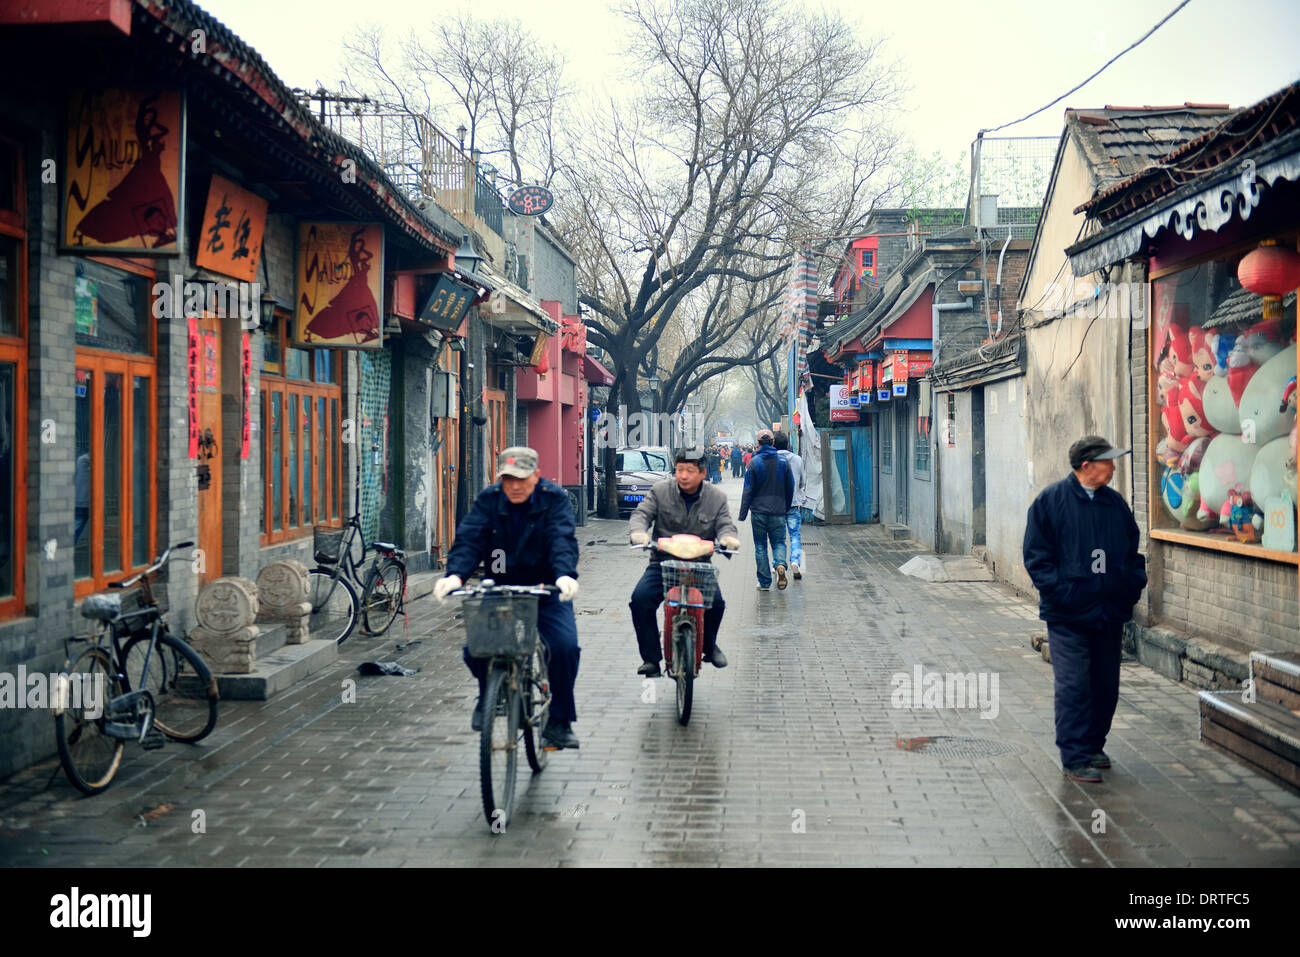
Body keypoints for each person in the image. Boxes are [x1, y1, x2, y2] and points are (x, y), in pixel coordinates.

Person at [434, 447, 583, 750]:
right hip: (502, 586)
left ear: (536, 476)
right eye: (508, 479)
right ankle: (488, 694)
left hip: (546, 587)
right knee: (475, 649)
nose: (515, 486)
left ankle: (559, 721)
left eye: (522, 479)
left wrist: (564, 574)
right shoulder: (489, 499)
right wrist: (455, 575)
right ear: (500, 478)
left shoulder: (554, 498)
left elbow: (561, 538)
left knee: (564, 648)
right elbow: (469, 538)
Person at [1022, 435, 1147, 783]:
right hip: (1068, 615)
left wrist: (1129, 590)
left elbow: (1132, 552)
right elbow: (1036, 557)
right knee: (1074, 685)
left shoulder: (1114, 504)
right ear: (1087, 466)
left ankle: (1093, 746)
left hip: (1108, 613)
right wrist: (1064, 593)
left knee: (1105, 686)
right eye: (1108, 461)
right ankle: (1075, 757)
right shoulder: (1051, 502)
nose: (1114, 467)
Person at [628, 446, 741, 676]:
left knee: (717, 604)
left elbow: (725, 524)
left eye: (690, 471)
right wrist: (639, 532)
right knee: (640, 600)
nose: (684, 476)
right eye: (680, 470)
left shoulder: (716, 498)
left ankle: (709, 646)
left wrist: (728, 539)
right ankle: (651, 658)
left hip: (700, 566)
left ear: (702, 473)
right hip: (663, 563)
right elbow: (642, 514)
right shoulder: (660, 491)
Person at [738, 430, 794, 590]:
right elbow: (790, 487)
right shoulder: (783, 462)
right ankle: (780, 565)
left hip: (759, 513)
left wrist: (742, 514)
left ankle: (764, 582)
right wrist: (786, 507)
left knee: (760, 547)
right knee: (779, 542)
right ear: (773, 442)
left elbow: (748, 490)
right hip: (778, 511)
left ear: (758, 443)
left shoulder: (754, 462)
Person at [772, 431, 806, 580]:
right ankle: (795, 561)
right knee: (795, 535)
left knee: (777, 537)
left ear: (773, 444)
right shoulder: (797, 459)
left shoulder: (770, 460)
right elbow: (803, 482)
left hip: (775, 506)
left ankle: (778, 564)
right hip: (793, 505)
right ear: (787, 444)